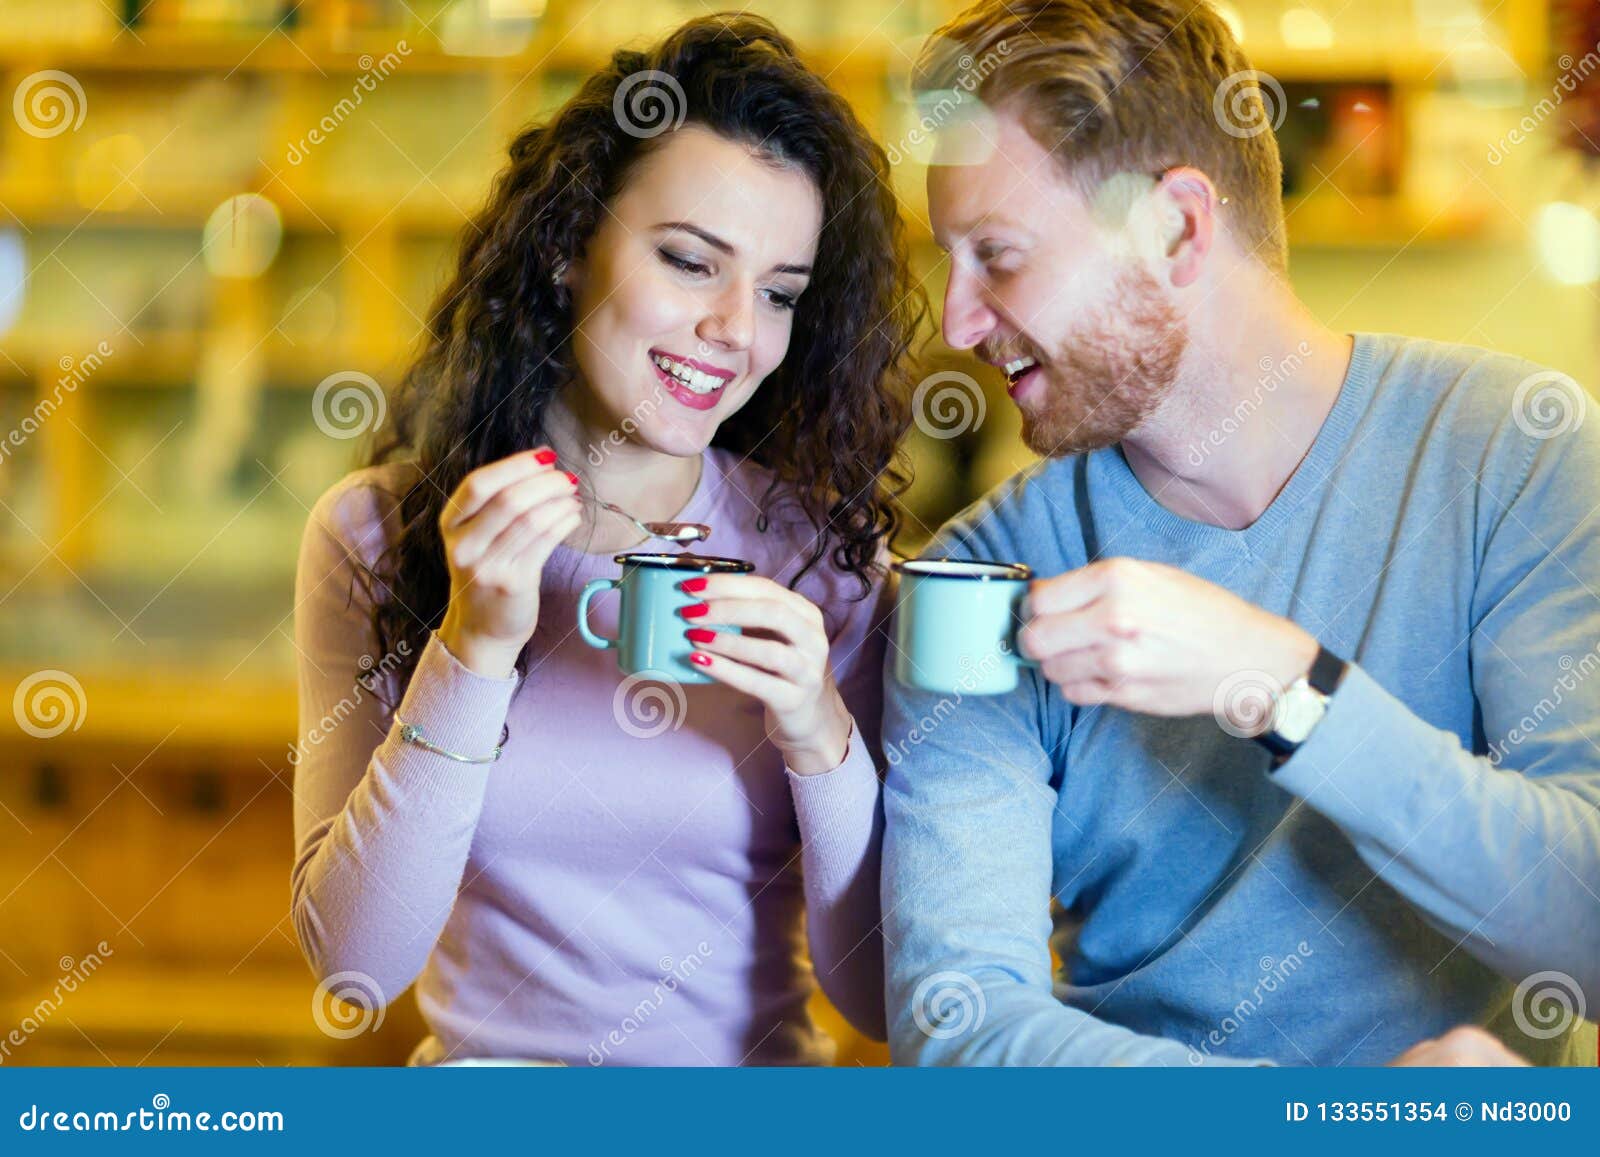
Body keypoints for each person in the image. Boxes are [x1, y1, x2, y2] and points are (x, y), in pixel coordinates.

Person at [882, 0, 1599, 1066]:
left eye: (997, 254)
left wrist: (1280, 682)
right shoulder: (980, 577)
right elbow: (958, 1023)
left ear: (1176, 227)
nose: (957, 322)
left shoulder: (1515, 453)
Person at [291, 15, 924, 1066]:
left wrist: (818, 730)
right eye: (688, 260)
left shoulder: (829, 561)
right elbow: (354, 963)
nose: (735, 327)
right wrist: (472, 646)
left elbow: (877, 1001)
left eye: (777, 293)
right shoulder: (375, 533)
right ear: (560, 251)